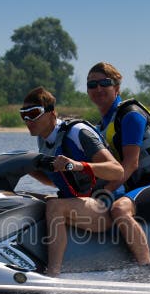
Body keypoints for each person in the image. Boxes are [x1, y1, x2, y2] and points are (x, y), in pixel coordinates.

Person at [86, 62, 150, 275]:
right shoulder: (101, 125)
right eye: (92, 85)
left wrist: (104, 192)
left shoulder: (130, 115)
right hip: (131, 188)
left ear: (116, 88)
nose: (98, 88)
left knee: (119, 209)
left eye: (104, 83)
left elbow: (130, 165)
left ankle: (147, 271)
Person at [21, 86, 123, 277]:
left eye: (34, 113)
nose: (28, 120)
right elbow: (56, 183)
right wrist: (27, 169)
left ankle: (53, 275)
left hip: (105, 206)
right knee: (26, 197)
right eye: (23, 115)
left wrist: (77, 165)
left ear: (51, 113)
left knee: (55, 207)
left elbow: (117, 171)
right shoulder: (44, 141)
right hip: (80, 202)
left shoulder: (78, 133)